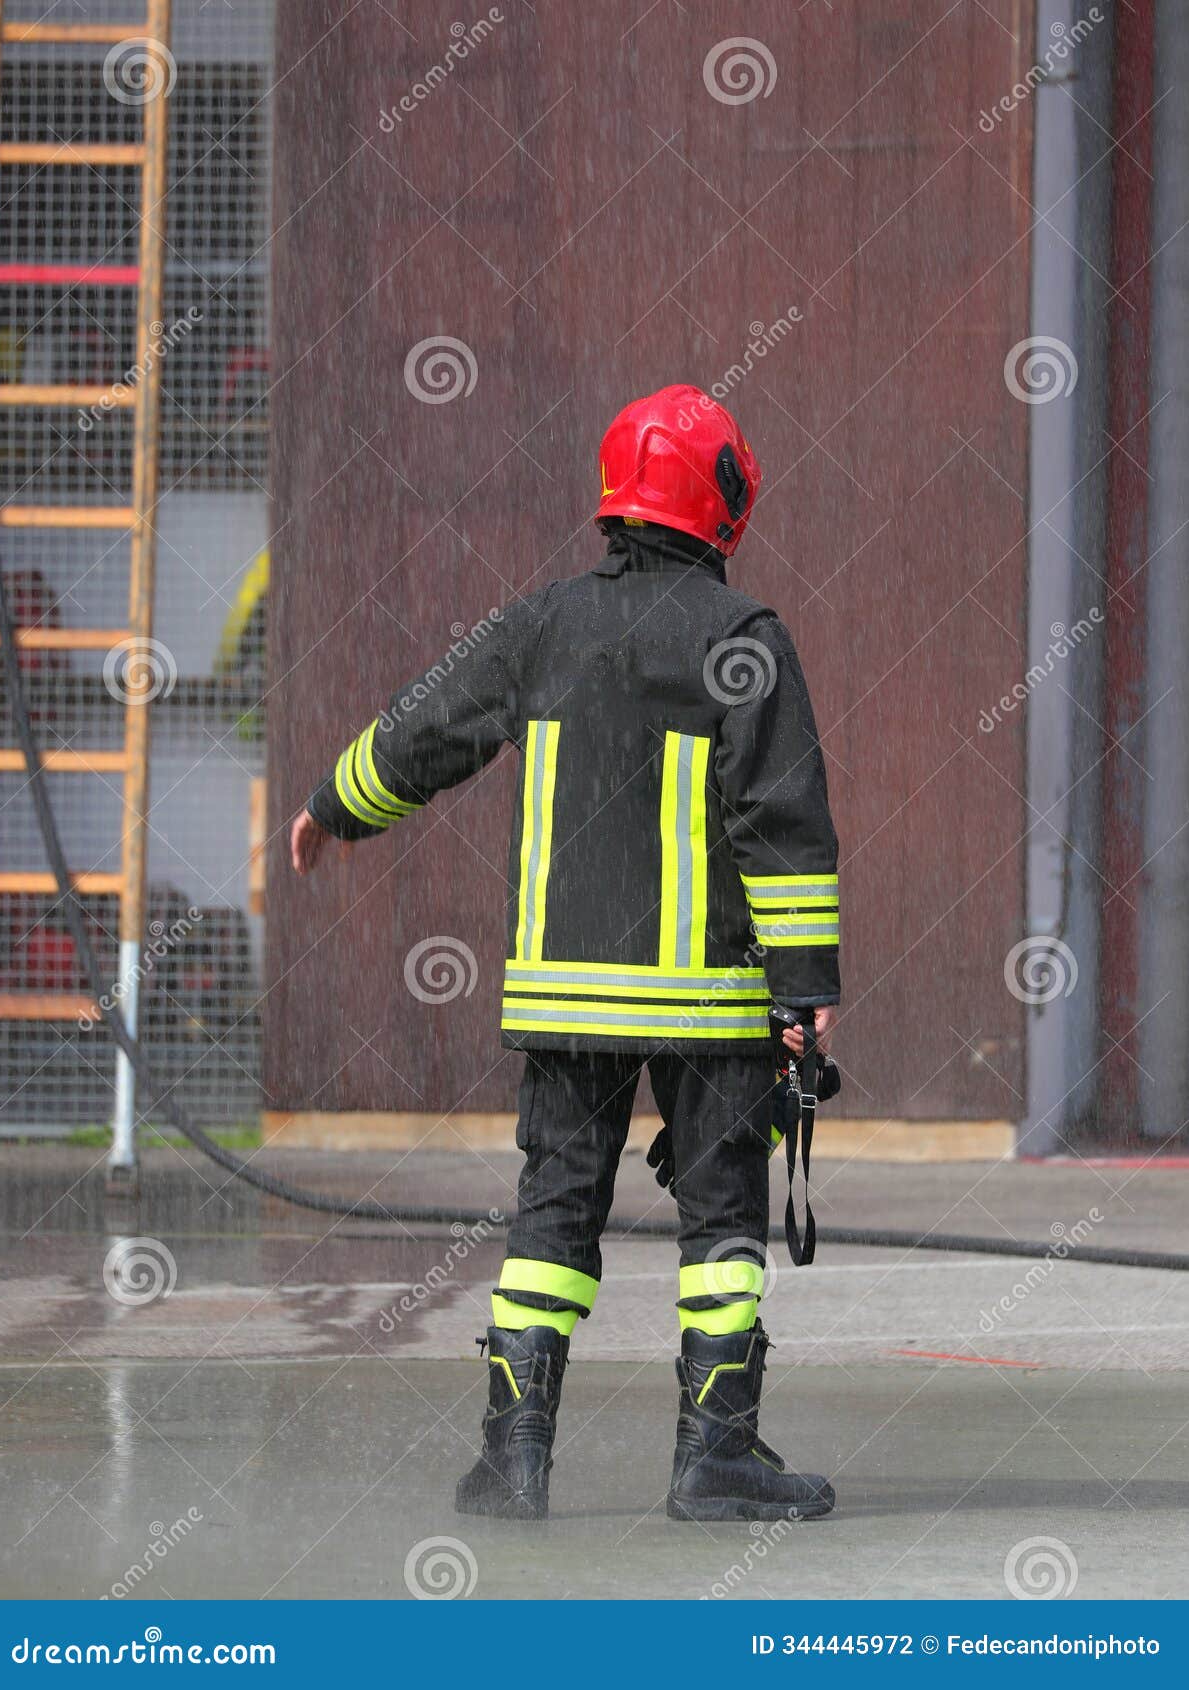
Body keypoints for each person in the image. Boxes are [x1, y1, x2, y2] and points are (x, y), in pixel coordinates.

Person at [291, 385, 841, 1523]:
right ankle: (713, 1459)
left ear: (615, 497)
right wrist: (803, 990)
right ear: (723, 499)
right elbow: (779, 822)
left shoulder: (539, 627)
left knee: (552, 1211)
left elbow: (424, 730)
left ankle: (513, 1460)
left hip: (566, 997)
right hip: (708, 1003)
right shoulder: (743, 639)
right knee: (721, 1217)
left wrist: (333, 807)